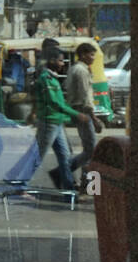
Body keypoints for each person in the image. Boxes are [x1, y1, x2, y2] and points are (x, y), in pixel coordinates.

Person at [33, 46, 89, 192]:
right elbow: (56, 103)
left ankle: (69, 190)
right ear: (52, 61)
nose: (62, 64)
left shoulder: (53, 78)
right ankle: (19, 184)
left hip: (57, 122)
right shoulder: (47, 78)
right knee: (37, 157)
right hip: (49, 123)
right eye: (60, 61)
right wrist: (76, 114)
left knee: (65, 157)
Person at [65, 42, 101, 182]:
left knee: (89, 149)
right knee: (91, 149)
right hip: (83, 111)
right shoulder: (81, 71)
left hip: (78, 110)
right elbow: (85, 96)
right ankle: (65, 172)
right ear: (83, 55)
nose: (93, 58)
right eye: (91, 55)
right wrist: (94, 118)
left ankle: (81, 179)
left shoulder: (75, 68)